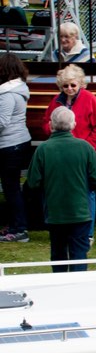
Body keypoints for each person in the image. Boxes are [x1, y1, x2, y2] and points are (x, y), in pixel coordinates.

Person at [25, 106, 96, 271]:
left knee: (58, 255)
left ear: (51, 125)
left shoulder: (43, 150)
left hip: (55, 213)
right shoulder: (85, 147)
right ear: (74, 124)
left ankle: (59, 289)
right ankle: (77, 291)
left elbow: (32, 182)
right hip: (80, 211)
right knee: (79, 255)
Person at [0, 53, 30, 243]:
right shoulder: (17, 89)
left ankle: (19, 229)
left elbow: (1, 122)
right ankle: (16, 225)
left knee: (11, 189)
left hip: (10, 146)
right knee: (12, 188)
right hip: (16, 143)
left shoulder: (7, 94)